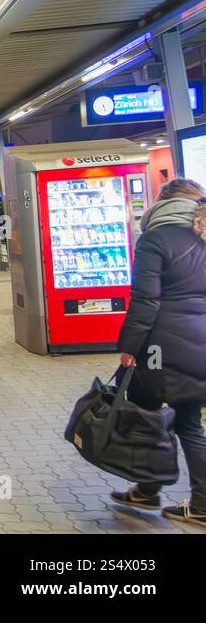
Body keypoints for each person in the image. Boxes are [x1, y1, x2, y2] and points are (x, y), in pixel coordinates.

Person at [109, 177, 206, 528]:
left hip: (161, 346)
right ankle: (184, 499)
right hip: (201, 343)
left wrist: (129, 348)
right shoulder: (202, 232)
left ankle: (151, 489)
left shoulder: (154, 238)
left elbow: (146, 300)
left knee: (146, 411)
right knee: (189, 421)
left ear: (161, 202)